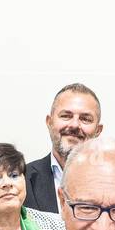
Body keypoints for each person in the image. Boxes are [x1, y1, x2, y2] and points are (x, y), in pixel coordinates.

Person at [25, 83, 103, 213]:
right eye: (66, 116)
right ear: (49, 122)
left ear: (98, 130)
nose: (74, 125)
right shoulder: (23, 179)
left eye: (85, 119)